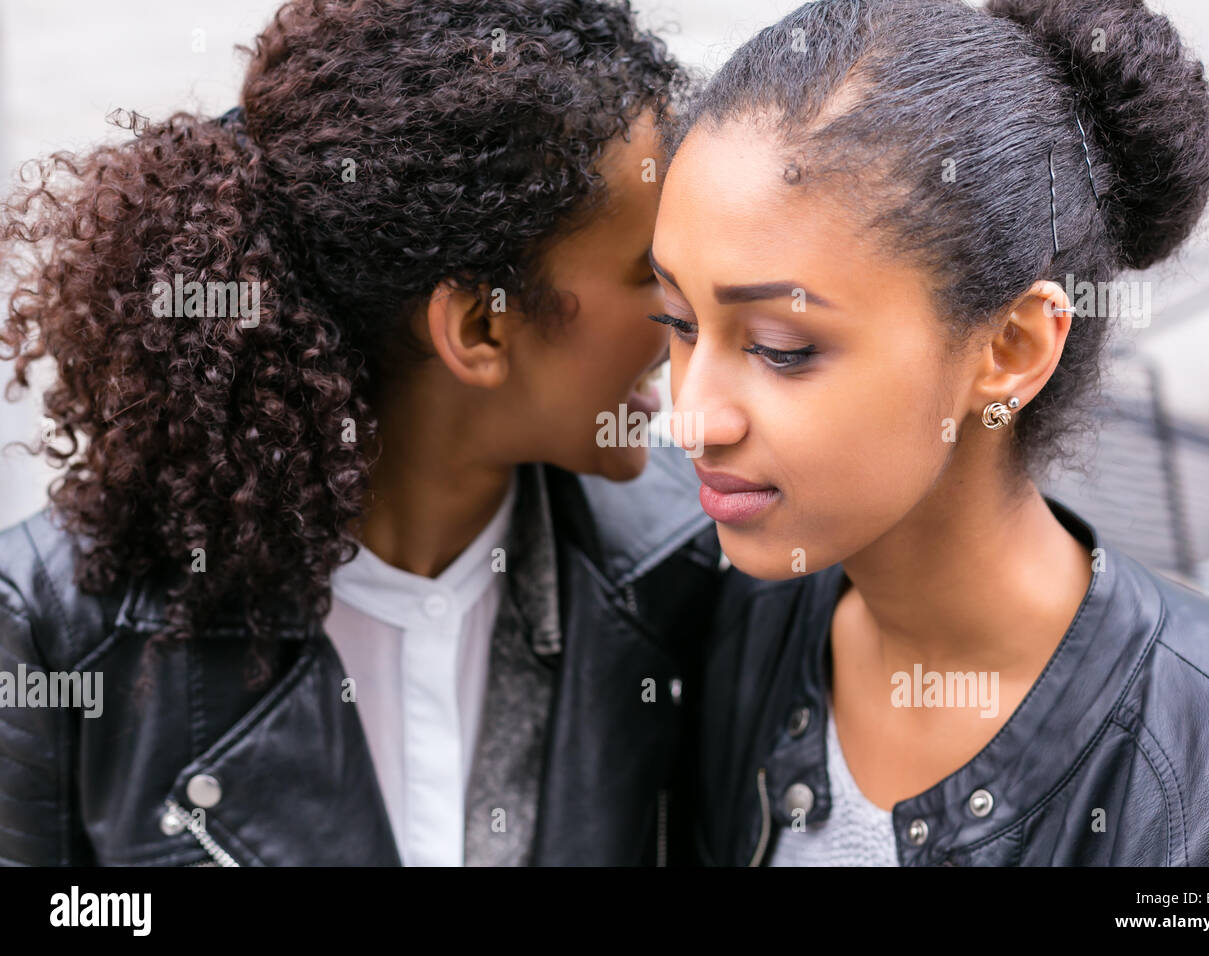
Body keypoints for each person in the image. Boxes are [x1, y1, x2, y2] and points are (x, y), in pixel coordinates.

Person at [0, 0, 720, 866]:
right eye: (653, 273)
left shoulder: (700, 570)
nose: (690, 316)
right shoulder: (56, 631)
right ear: (480, 331)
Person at [649, 0, 1209, 865]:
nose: (690, 412)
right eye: (678, 321)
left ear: (1011, 348)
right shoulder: (713, 620)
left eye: (782, 348)